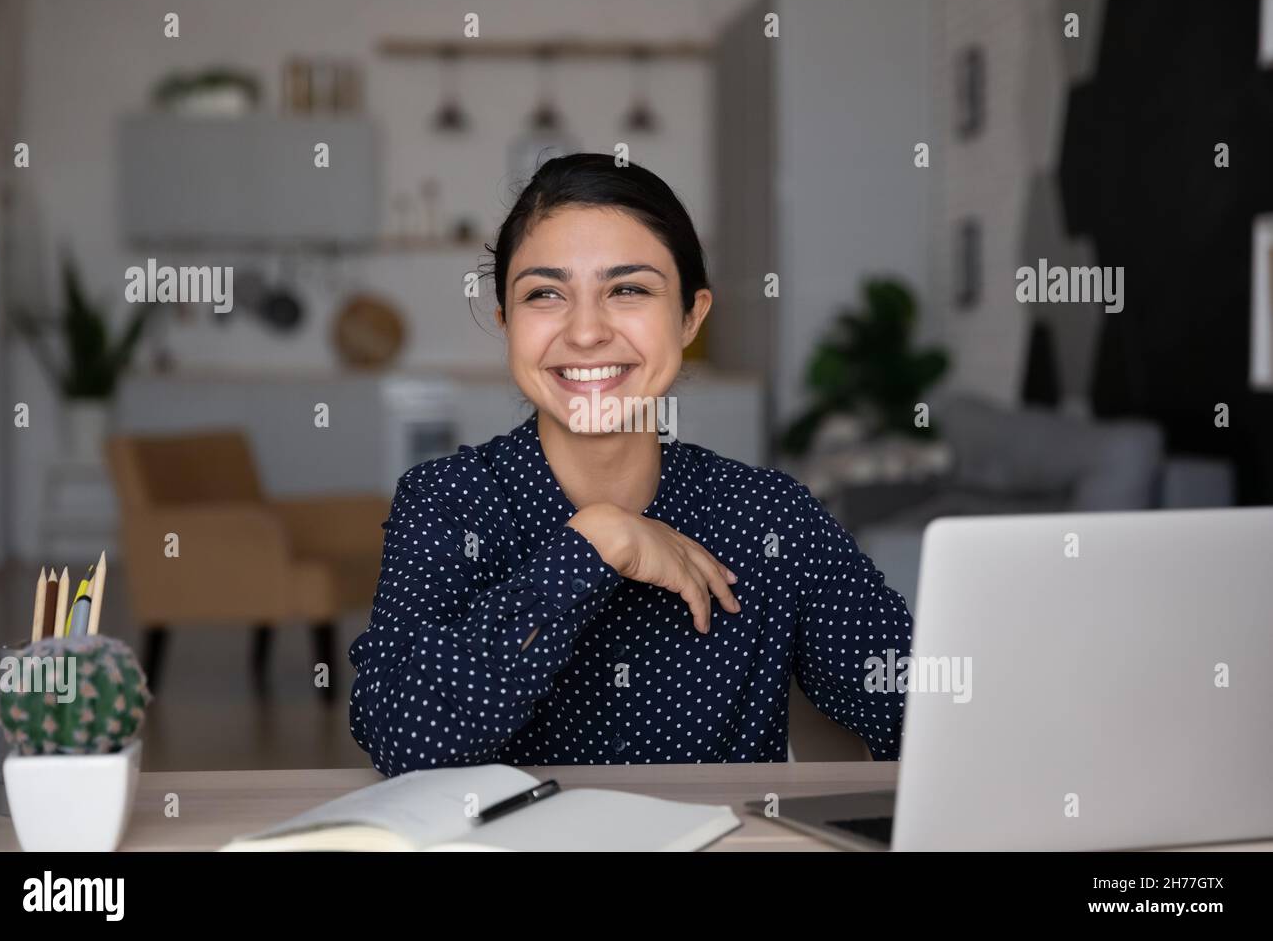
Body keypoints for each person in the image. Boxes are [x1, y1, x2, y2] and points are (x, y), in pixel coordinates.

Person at [349, 153, 913, 776]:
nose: (586, 332)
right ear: (507, 323)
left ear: (691, 315)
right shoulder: (449, 501)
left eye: (628, 290)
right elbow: (404, 737)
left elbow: (923, 711)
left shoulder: (768, 516)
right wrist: (595, 543)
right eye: (545, 294)